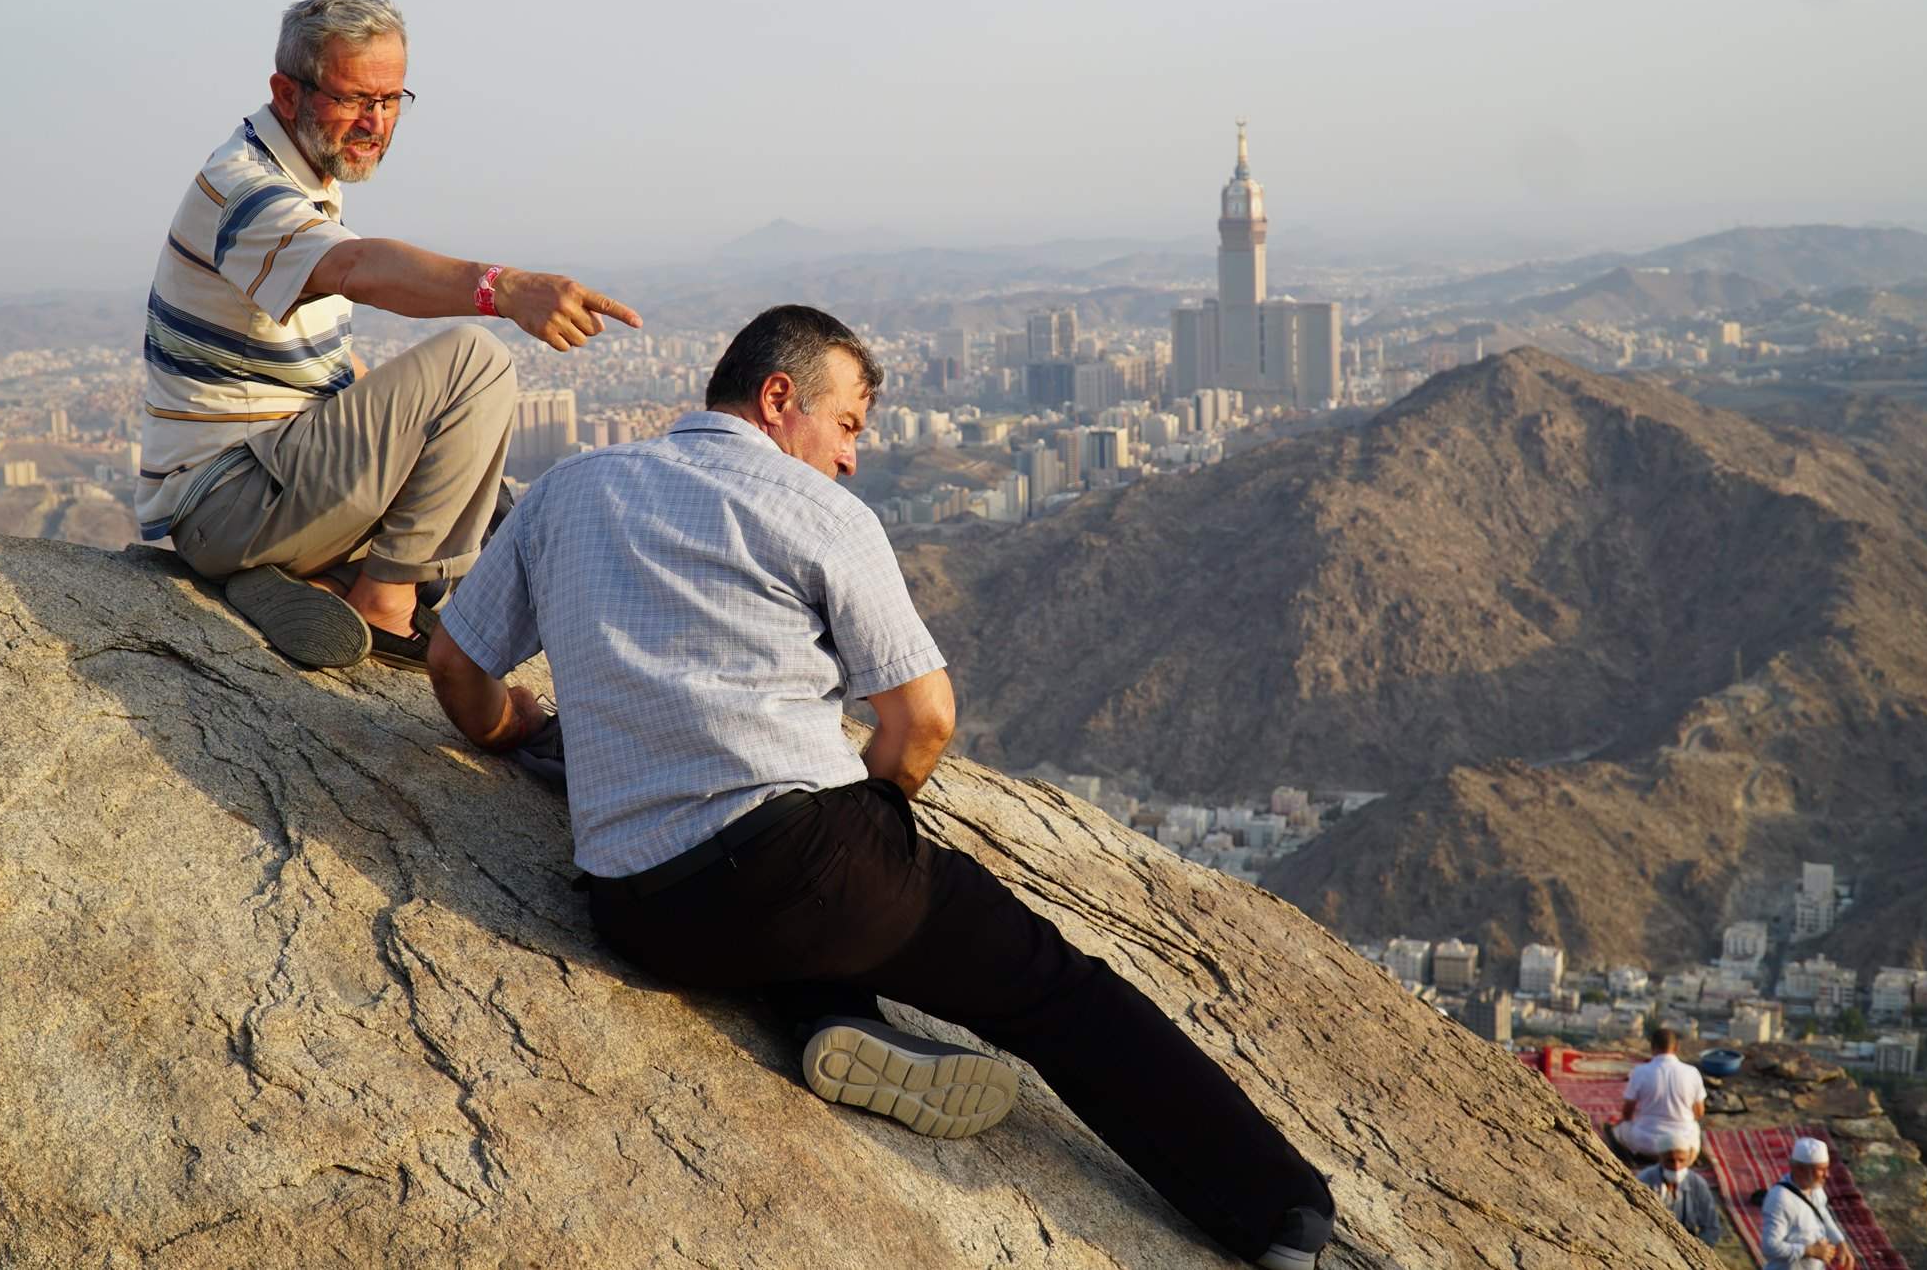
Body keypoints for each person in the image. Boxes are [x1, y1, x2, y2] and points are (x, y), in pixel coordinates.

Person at [425, 304, 1338, 1269]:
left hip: (638, 911)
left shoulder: (569, 487)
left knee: (787, 916)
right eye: (849, 423)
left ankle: (833, 1017)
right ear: (780, 399)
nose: (854, 456)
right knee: (1054, 991)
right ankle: (1283, 1213)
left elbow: (453, 665)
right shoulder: (819, 512)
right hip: (801, 863)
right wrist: (872, 819)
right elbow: (924, 720)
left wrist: (512, 725)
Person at [140, 0, 640, 670]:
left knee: (498, 514)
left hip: (270, 486)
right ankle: (383, 600)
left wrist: (443, 463)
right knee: (476, 364)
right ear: (287, 93)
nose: (374, 123)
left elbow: (324, 374)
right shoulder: (247, 188)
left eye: (390, 100)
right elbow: (359, 265)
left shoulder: (303, 171)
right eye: (353, 100)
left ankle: (309, 580)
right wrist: (505, 289)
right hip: (228, 499)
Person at [1760, 1136, 1857, 1269]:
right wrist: (1809, 1251)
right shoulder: (1779, 1200)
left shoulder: (1815, 1189)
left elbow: (1823, 1216)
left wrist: (1840, 1243)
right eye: (1821, 1169)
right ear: (1800, 1170)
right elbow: (1770, 1246)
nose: (1827, 1175)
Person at [1612, 1025, 1706, 1160]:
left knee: (1621, 1128)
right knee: (1694, 1127)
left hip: (1647, 1143)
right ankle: (1680, 1159)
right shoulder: (1692, 1072)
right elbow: (1699, 1113)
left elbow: (1627, 1114)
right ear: (1676, 1047)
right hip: (1683, 1144)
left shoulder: (1640, 1072)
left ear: (1652, 1048)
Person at [1635, 1130, 1722, 1245]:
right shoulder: (1646, 1180)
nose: (1676, 1166)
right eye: (1670, 1161)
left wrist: (1697, 1248)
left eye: (1681, 1161)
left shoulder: (1697, 1184)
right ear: (1660, 1158)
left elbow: (1711, 1228)